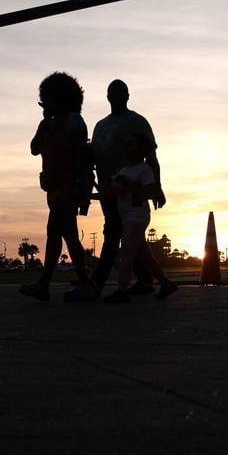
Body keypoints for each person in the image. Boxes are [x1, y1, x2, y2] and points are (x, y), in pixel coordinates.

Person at [84, 79, 165, 298]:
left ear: (128, 96)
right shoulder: (100, 126)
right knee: (131, 240)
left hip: (131, 193)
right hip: (109, 189)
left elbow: (152, 157)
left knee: (113, 233)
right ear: (107, 97)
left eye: (121, 93)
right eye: (113, 93)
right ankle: (147, 279)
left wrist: (157, 187)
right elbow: (93, 159)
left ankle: (97, 283)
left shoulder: (138, 122)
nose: (117, 96)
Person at [19, 72, 95, 302]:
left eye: (49, 99)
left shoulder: (74, 122)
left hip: (68, 187)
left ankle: (45, 284)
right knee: (69, 236)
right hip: (53, 188)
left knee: (55, 232)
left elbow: (80, 158)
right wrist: (45, 124)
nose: (46, 104)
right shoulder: (49, 125)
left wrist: (79, 190)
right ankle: (85, 284)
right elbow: (34, 148)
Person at [103, 135, 178, 304]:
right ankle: (165, 283)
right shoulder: (123, 169)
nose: (129, 148)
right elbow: (113, 193)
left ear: (143, 150)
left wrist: (127, 184)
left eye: (133, 145)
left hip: (137, 216)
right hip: (126, 217)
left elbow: (149, 192)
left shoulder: (144, 170)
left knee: (127, 251)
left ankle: (122, 289)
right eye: (128, 145)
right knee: (144, 256)